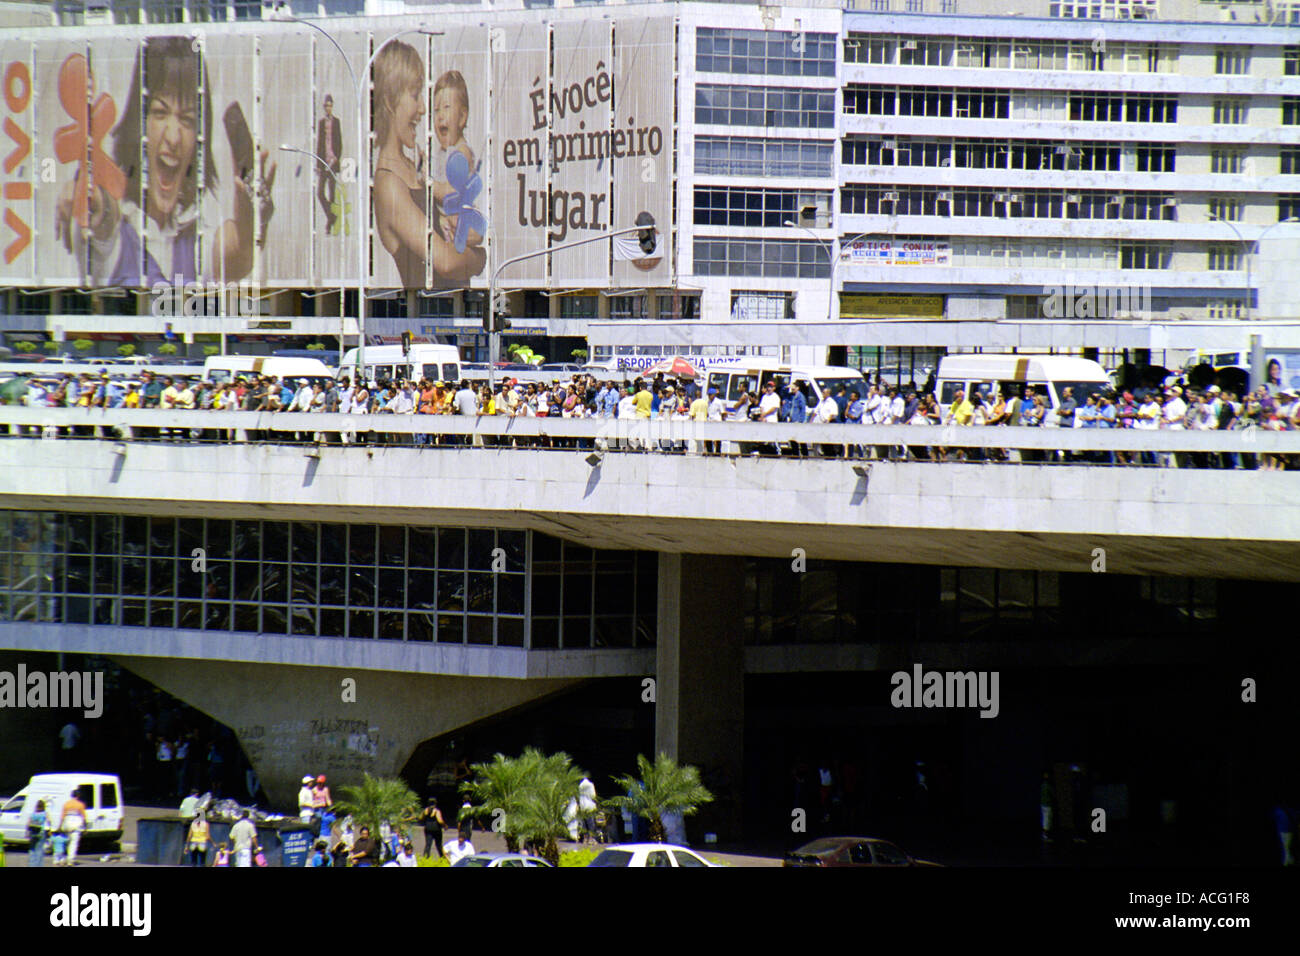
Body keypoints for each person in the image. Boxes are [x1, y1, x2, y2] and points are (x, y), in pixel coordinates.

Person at [60, 36, 274, 288]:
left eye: (187, 119)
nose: (173, 137)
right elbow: (104, 223)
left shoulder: (196, 234)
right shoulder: (118, 228)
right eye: (160, 113)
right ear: (138, 122)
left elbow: (234, 256)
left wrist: (250, 227)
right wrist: (94, 204)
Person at [372, 40, 485, 288]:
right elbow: (444, 261)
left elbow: (450, 231)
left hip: (455, 313)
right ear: (391, 101)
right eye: (415, 96)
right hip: (429, 314)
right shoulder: (389, 185)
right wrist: (480, 259)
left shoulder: (413, 168)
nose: (423, 109)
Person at [316, 93, 343, 234]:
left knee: (332, 193)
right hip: (323, 162)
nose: (328, 108)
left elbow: (339, 142)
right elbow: (320, 143)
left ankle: (329, 223)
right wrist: (318, 163)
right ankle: (331, 216)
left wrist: (336, 158)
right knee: (320, 192)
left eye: (330, 106)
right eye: (326, 106)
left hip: (333, 162)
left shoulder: (336, 122)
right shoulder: (321, 123)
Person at [60, 790, 87, 864]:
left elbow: (62, 816)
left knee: (66, 842)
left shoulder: (66, 804)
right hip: (76, 823)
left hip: (67, 823)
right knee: (74, 842)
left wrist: (60, 826)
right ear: (78, 796)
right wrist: (85, 826)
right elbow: (84, 816)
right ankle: (71, 859)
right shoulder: (80, 804)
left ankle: (62, 859)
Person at [27, 799, 50, 867]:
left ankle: (31, 865)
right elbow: (49, 821)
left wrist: (27, 833)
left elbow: (28, 824)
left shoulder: (33, 814)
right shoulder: (45, 814)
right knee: (39, 850)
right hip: (41, 832)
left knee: (32, 849)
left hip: (33, 833)